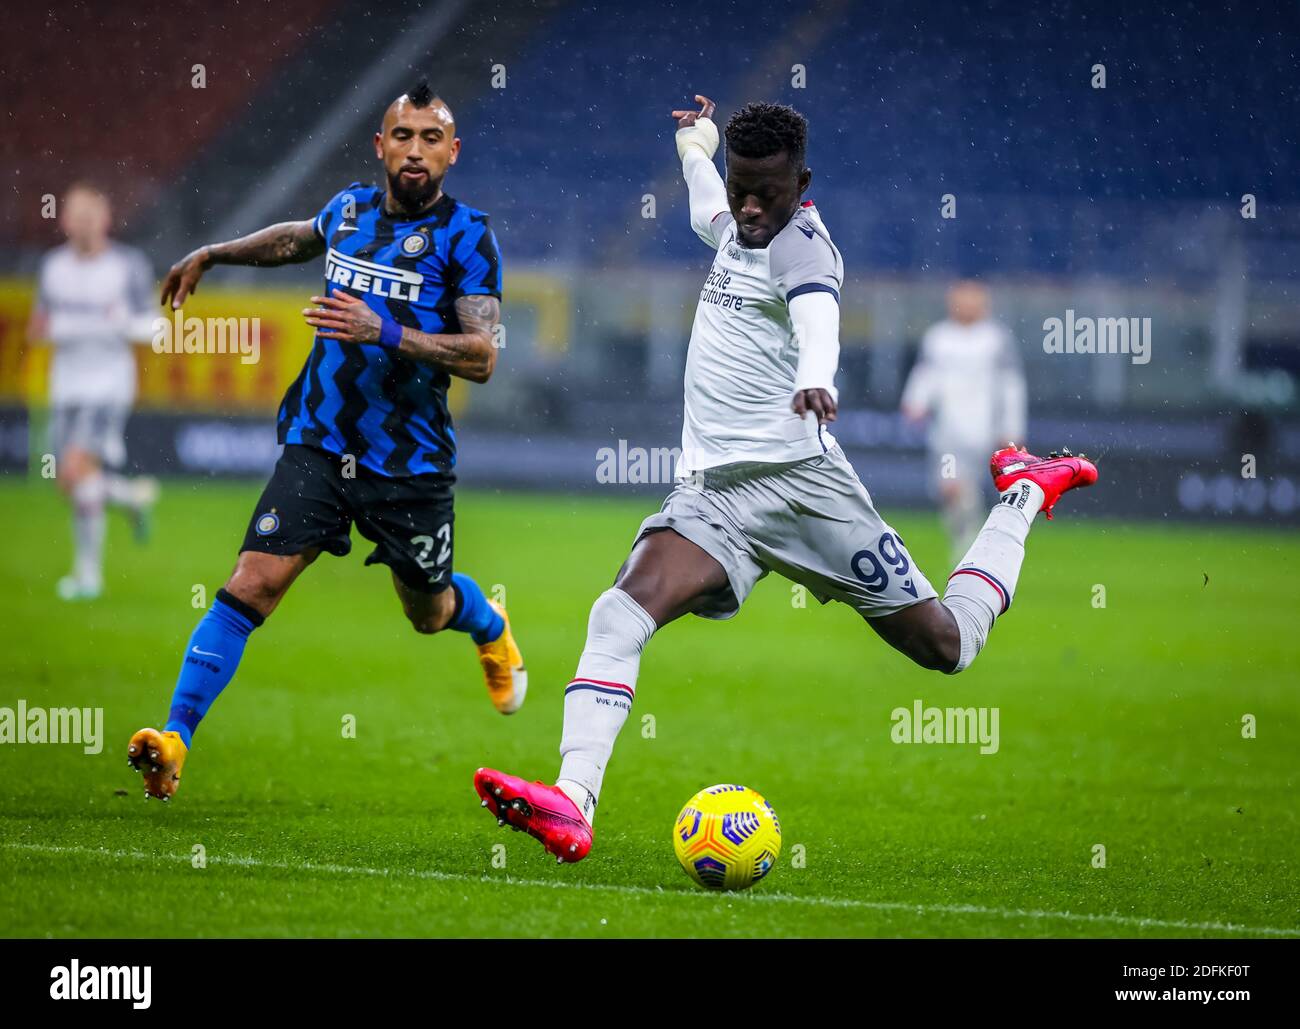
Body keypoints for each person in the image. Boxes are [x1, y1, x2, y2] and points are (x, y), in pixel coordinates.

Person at [473, 95, 1096, 864]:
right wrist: (693, 145)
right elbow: (706, 194)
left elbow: (817, 316)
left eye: (767, 189)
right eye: (741, 185)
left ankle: (1026, 491)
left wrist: (815, 376)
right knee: (617, 610)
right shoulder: (732, 217)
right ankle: (574, 802)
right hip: (714, 495)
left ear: (803, 183)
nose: (749, 204)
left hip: (805, 489)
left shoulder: (804, 247)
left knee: (946, 645)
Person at [127, 82, 525, 802]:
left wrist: (388, 332)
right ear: (380, 145)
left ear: (452, 153)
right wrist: (214, 253)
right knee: (253, 581)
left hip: (409, 459)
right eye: (401, 136)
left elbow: (483, 356)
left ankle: (487, 622)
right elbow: (295, 240)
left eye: (430, 139)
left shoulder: (469, 238)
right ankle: (176, 736)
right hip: (319, 437)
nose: (414, 151)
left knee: (425, 611)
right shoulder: (348, 210)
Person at [29, 183, 160, 601]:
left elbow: (158, 327)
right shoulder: (52, 267)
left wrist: (123, 323)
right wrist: (44, 331)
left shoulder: (127, 266)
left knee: (73, 470)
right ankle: (130, 498)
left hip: (107, 386)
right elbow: (39, 324)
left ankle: (88, 577)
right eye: (76, 217)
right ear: (65, 221)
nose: (84, 225)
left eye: (92, 217)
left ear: (105, 220)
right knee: (70, 482)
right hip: (65, 386)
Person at [902, 281, 1028, 562]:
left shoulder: (995, 339)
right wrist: (916, 402)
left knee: (965, 486)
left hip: (982, 428)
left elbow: (1011, 386)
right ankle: (965, 537)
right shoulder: (939, 337)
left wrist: (1011, 428)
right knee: (948, 487)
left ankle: (968, 543)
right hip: (946, 429)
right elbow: (926, 373)